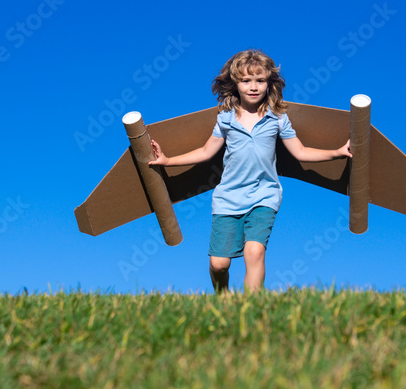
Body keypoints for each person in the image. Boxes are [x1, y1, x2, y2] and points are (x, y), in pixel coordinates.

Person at [149, 49, 351, 294]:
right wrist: (168, 160)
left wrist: (338, 152)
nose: (253, 87)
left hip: (264, 195)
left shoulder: (277, 118)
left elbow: (301, 152)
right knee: (219, 264)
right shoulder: (226, 119)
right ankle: (222, 299)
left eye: (260, 80)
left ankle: (251, 307)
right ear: (235, 84)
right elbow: (204, 152)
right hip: (228, 199)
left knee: (254, 252)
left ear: (269, 83)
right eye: (246, 81)